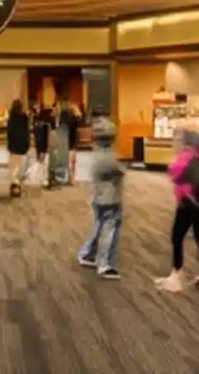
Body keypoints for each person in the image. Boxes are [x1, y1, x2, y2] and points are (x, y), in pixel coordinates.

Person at [156, 129, 199, 293]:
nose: (174, 144)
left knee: (177, 236)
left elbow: (174, 171)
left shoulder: (186, 157)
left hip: (187, 202)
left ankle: (177, 274)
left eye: (177, 140)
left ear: (185, 143)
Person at [77, 118, 123, 280]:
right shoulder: (108, 157)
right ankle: (105, 264)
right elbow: (118, 170)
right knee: (110, 228)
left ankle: (87, 253)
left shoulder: (97, 153)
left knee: (98, 224)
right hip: (109, 198)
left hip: (98, 196)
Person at [5, 100, 31, 197]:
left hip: (13, 146)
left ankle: (14, 185)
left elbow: (9, 133)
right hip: (22, 146)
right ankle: (16, 185)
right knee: (20, 167)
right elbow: (26, 133)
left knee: (13, 167)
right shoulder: (24, 118)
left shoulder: (11, 119)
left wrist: (9, 144)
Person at [57, 100, 80, 185]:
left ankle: (66, 178)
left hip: (64, 142)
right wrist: (77, 112)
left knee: (66, 161)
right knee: (72, 161)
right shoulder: (73, 118)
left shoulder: (61, 119)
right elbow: (78, 122)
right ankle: (71, 178)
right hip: (72, 142)